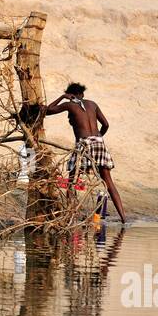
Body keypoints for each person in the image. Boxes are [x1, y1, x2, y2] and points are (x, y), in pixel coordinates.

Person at [45, 82, 126, 223]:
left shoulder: (69, 104)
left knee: (72, 181)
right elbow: (106, 124)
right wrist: (98, 137)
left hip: (84, 144)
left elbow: (47, 110)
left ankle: (69, 217)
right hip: (99, 143)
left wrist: (62, 97)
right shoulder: (92, 104)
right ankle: (124, 219)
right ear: (82, 94)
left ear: (71, 96)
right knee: (109, 182)